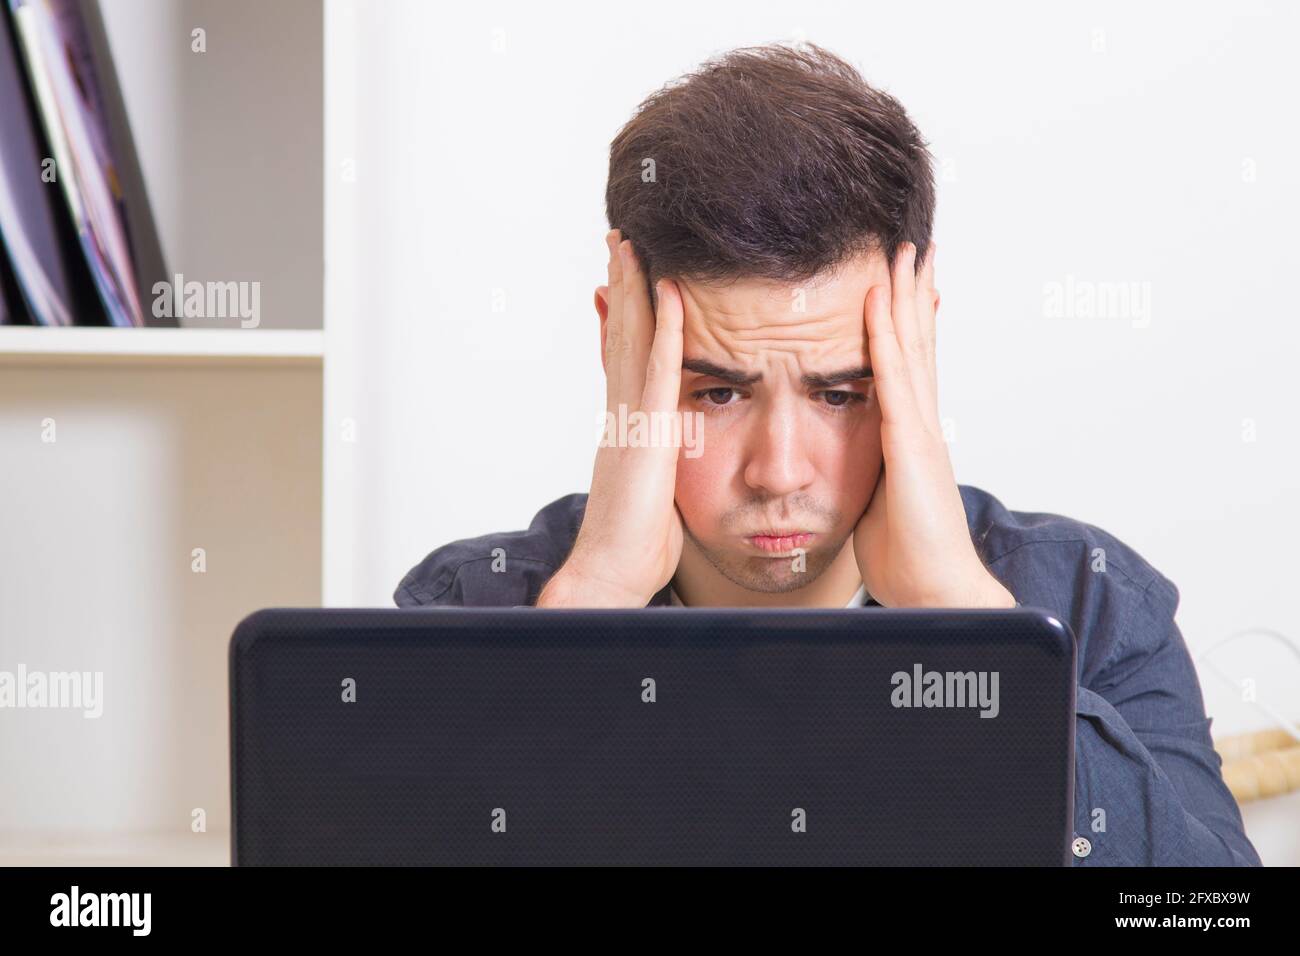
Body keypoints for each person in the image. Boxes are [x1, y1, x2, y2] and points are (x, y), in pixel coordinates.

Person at [394, 43, 1261, 866]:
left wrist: (976, 631)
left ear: (915, 352)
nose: (779, 472)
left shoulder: (1089, 602)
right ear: (620, 344)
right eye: (719, 393)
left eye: (839, 394)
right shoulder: (473, 607)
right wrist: (586, 616)